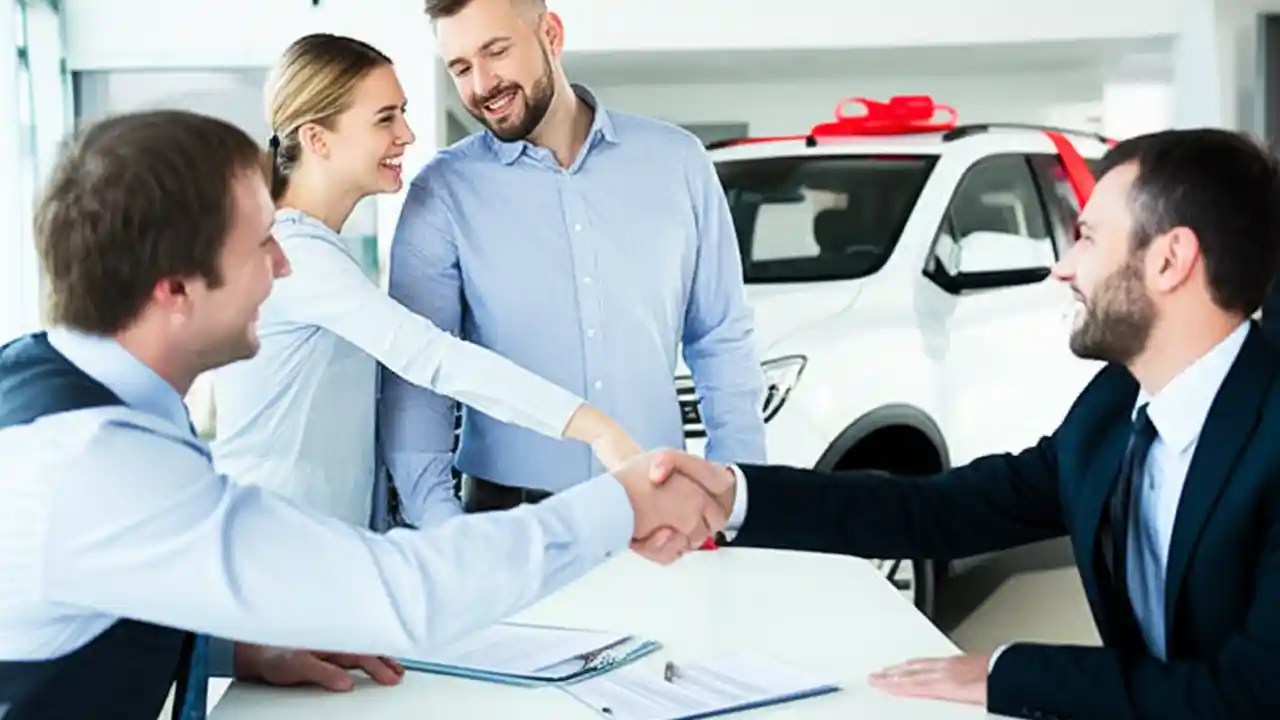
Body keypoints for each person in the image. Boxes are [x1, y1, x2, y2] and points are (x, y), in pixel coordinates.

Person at [0, 109, 728, 720]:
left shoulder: (55, 386)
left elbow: (94, 601)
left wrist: (238, 649)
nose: (283, 266)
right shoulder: (92, 464)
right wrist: (622, 504)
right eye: (261, 244)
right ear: (176, 291)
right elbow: (409, 593)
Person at [642, 128, 1280, 720]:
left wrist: (1005, 673)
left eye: (1086, 238)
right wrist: (734, 495)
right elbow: (941, 508)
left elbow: (1252, 694)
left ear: (1170, 260)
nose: (1062, 267)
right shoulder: (1114, 407)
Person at [209, 32, 641, 529]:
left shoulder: (317, 250)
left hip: (313, 549)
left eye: (403, 113)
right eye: (385, 119)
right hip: (270, 551)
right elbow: (432, 357)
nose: (407, 135)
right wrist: (597, 428)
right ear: (316, 139)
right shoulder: (296, 256)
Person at [379, 0, 768, 524]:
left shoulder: (677, 163)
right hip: (506, 519)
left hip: (657, 504)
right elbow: (417, 377)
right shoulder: (442, 193)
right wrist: (439, 523)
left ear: (551, 34)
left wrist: (739, 496)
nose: (482, 84)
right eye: (461, 67)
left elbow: (721, 339)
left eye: (496, 51)